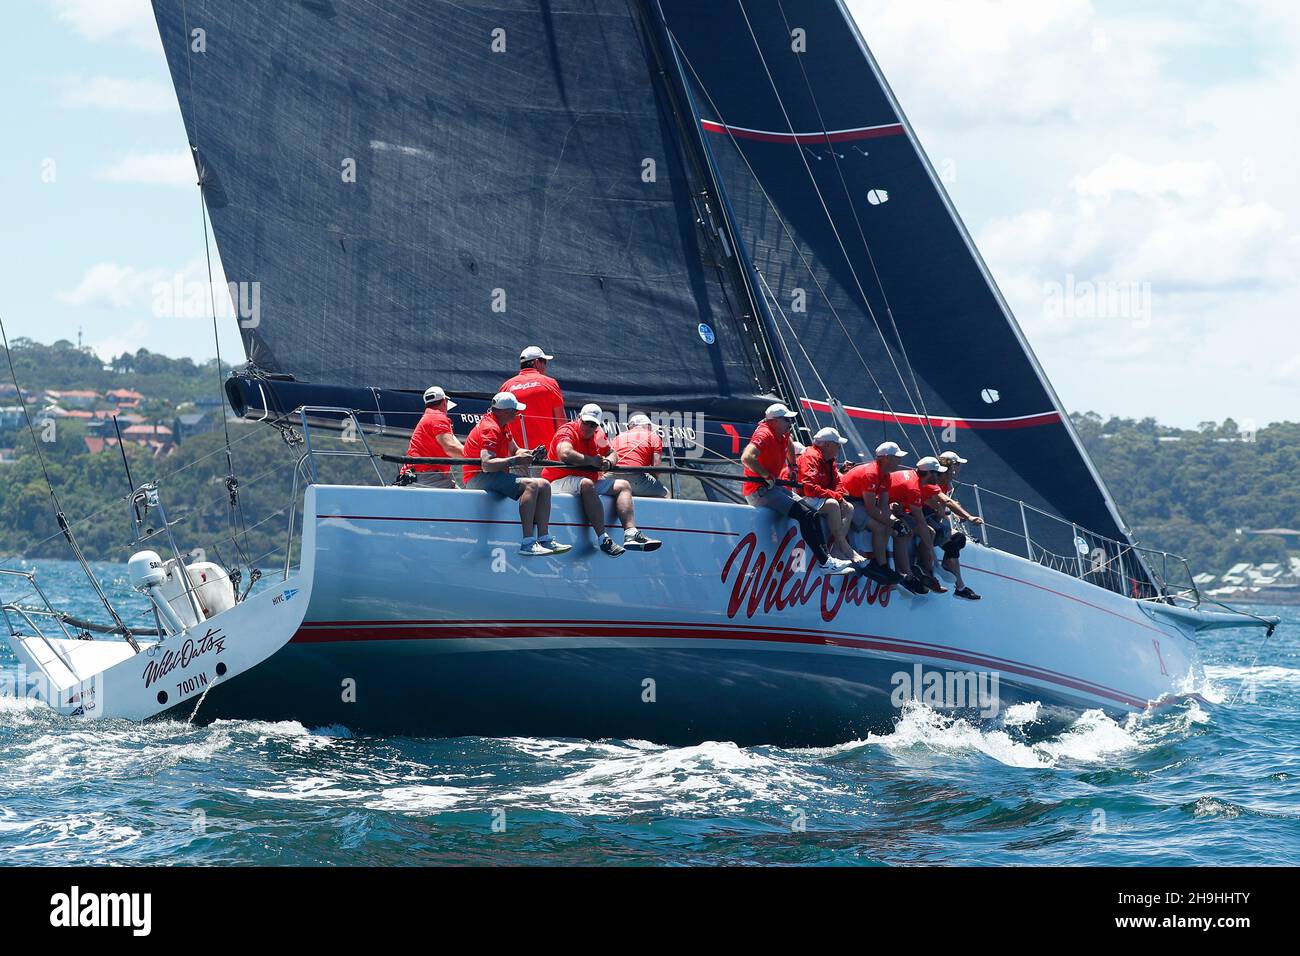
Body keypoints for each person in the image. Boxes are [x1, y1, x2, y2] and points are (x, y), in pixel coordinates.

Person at [740, 403, 854, 575]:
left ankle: (827, 559)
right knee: (806, 515)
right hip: (760, 490)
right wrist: (765, 474)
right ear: (775, 421)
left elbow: (790, 443)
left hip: (773, 489)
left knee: (812, 513)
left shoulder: (782, 432)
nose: (790, 423)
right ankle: (825, 562)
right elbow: (747, 457)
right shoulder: (764, 433)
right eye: (787, 419)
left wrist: (792, 466)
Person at [542, 403, 662, 556]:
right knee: (586, 483)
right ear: (579, 418)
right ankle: (603, 538)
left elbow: (612, 452)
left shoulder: (598, 434)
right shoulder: (567, 430)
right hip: (557, 481)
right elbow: (565, 453)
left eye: (593, 424)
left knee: (623, 485)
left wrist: (609, 462)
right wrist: (592, 460)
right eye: (586, 422)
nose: (589, 427)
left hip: (584, 481)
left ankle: (631, 533)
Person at [463, 392, 570, 557]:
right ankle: (527, 542)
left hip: (491, 476)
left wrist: (531, 454)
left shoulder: (501, 424)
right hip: (477, 478)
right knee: (532, 485)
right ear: (505, 412)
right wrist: (515, 461)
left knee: (544, 484)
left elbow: (515, 450)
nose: (518, 413)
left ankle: (544, 538)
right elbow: (487, 465)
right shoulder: (491, 428)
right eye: (515, 410)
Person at [840, 441, 909, 586]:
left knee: (888, 527)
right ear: (886, 458)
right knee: (879, 527)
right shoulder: (871, 474)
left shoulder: (886, 475)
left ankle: (883, 565)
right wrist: (893, 522)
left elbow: (884, 507)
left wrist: (895, 522)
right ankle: (881, 566)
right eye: (897, 457)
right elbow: (871, 508)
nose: (900, 461)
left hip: (860, 502)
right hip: (847, 502)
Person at [795, 428, 861, 562]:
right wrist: (837, 497)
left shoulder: (829, 460)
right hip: (802, 498)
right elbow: (810, 489)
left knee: (848, 507)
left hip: (817, 497)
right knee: (832, 505)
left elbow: (837, 483)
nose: (839, 448)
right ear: (827, 445)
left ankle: (837, 549)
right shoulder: (811, 456)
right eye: (837, 444)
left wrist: (840, 496)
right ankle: (844, 546)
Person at [926, 450, 984, 600]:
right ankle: (958, 585)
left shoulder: (948, 484)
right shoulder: (933, 480)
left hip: (934, 517)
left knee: (959, 539)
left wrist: (953, 512)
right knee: (950, 545)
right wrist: (968, 517)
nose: (959, 468)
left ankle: (947, 566)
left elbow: (946, 504)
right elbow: (942, 503)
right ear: (950, 467)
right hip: (921, 516)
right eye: (958, 465)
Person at [889, 456, 950, 593]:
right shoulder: (914, 487)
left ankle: (923, 569)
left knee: (930, 532)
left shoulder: (917, 478)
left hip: (894, 507)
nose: (939, 476)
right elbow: (921, 521)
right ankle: (905, 576)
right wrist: (934, 557)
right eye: (938, 473)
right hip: (883, 507)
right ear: (929, 473)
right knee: (905, 531)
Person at [498, 345, 566, 453]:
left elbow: (499, 424)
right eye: (544, 362)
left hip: (516, 457)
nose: (546, 367)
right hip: (545, 458)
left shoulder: (506, 386)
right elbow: (561, 424)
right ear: (536, 363)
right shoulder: (550, 383)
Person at [398, 385, 464, 488]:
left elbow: (456, 444)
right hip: (427, 476)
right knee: (463, 501)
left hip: (415, 475)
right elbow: (451, 448)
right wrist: (480, 460)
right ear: (444, 402)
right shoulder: (438, 418)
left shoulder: (428, 417)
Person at [609, 413, 669, 498]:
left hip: (611, 476)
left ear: (630, 427)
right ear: (648, 426)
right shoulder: (654, 437)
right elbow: (656, 468)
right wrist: (653, 482)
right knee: (666, 494)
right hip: (635, 476)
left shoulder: (617, 438)